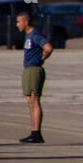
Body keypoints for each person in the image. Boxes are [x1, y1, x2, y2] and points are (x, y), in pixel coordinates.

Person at [16, 8, 52, 143]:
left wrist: (42, 57)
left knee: (34, 101)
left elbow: (48, 47)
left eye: (19, 21)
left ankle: (36, 133)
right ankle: (33, 132)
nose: (17, 24)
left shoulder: (35, 35)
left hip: (34, 70)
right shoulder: (28, 35)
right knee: (30, 102)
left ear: (26, 21)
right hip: (29, 70)